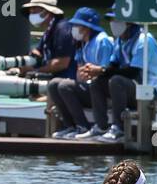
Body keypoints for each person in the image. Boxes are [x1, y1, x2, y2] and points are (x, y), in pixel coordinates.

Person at [78, 7, 157, 142]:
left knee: (117, 80)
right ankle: (101, 127)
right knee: (97, 82)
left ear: (129, 23)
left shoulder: (144, 40)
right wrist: (95, 71)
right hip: (135, 90)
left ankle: (119, 129)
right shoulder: (120, 41)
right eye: (111, 20)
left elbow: (132, 72)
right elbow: (113, 65)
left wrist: (102, 70)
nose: (113, 24)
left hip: (153, 94)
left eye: (117, 20)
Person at [46, 7, 115, 138]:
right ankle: (70, 126)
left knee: (65, 86)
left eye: (77, 25)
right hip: (88, 88)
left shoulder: (102, 41)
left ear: (87, 27)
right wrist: (82, 73)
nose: (74, 28)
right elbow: (79, 71)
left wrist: (92, 72)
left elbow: (106, 70)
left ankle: (83, 126)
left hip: (102, 92)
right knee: (54, 84)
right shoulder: (82, 43)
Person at [12, 0, 75, 80]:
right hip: (52, 76)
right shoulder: (48, 32)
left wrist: (35, 70)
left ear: (47, 11)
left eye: (35, 10)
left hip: (65, 78)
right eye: (30, 10)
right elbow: (38, 52)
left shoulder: (63, 29)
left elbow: (62, 63)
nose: (31, 13)